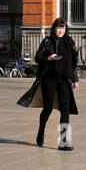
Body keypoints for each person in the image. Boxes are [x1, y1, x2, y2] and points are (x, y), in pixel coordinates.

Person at [32, 18, 80, 150]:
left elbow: (72, 64)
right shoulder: (47, 41)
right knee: (47, 109)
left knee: (65, 109)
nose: (61, 31)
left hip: (64, 79)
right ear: (54, 29)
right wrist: (48, 58)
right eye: (59, 28)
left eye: (63, 28)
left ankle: (64, 142)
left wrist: (75, 79)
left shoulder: (69, 42)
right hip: (49, 78)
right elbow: (37, 57)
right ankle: (41, 132)